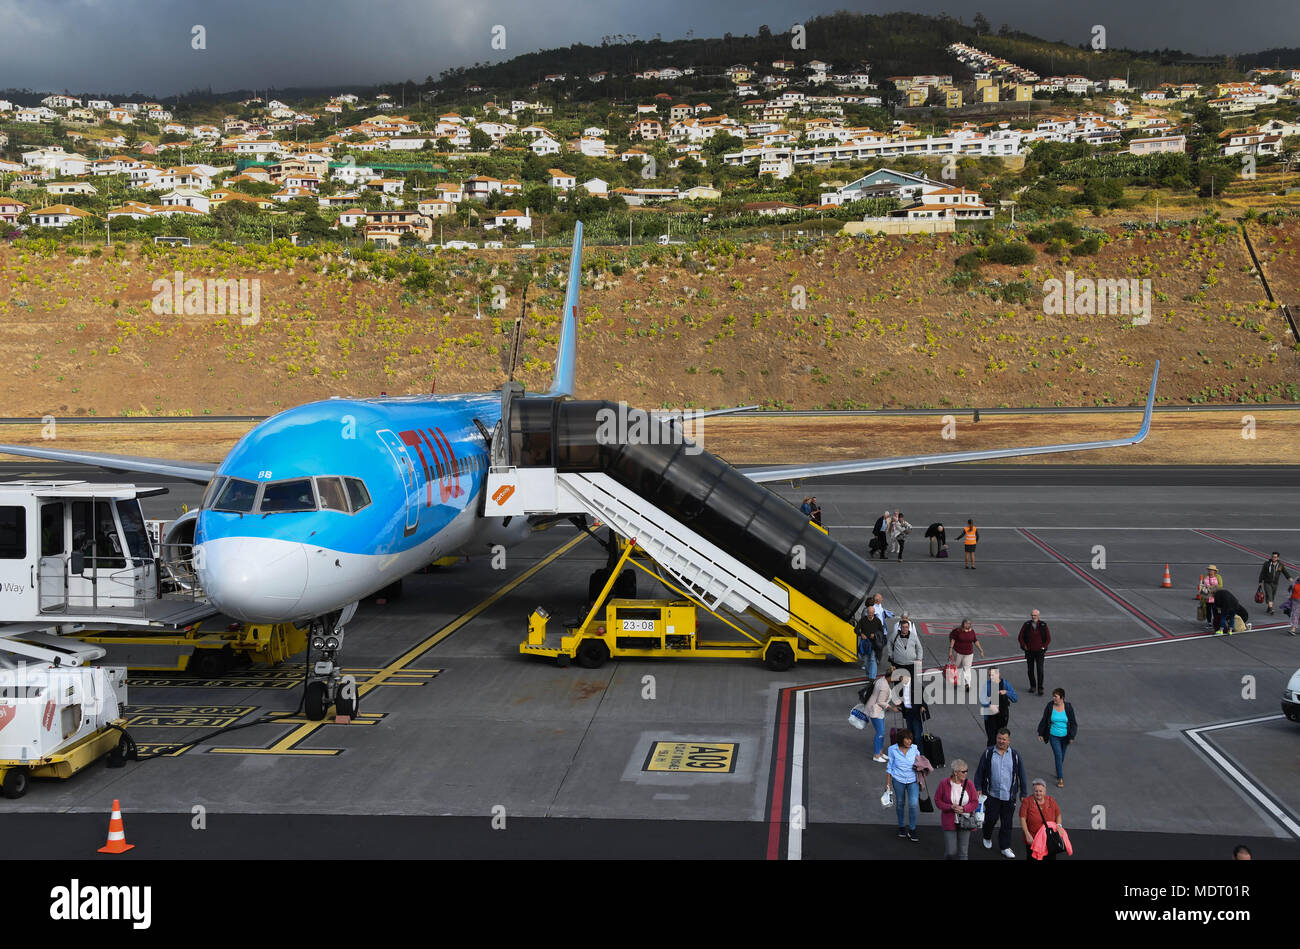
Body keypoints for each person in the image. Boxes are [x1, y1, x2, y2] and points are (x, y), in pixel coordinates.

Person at [974, 728, 1029, 858]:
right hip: (992, 795)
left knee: (1007, 823)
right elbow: (980, 772)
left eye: (1004, 739)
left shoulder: (1015, 755)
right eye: (999, 738)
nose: (1001, 741)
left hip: (1009, 797)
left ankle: (1005, 846)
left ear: (1009, 740)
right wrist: (978, 787)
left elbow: (1022, 774)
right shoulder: (988, 753)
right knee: (990, 819)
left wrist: (1023, 793)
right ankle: (987, 836)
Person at [934, 759, 979, 860]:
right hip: (949, 821)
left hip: (966, 821)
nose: (966, 773)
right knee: (951, 852)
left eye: (966, 771)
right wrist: (950, 807)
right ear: (955, 772)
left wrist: (964, 809)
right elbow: (937, 801)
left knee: (963, 852)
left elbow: (975, 802)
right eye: (963, 771)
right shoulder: (944, 784)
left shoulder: (969, 784)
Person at [1036, 687, 1078, 788]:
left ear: (1062, 697)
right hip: (1053, 736)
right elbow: (1044, 719)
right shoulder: (1050, 706)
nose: (1054, 698)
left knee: (1061, 757)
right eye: (1053, 696)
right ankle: (1060, 778)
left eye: (1056, 696)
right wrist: (1040, 733)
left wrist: (1072, 736)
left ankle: (1058, 768)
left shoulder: (1068, 707)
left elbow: (1073, 722)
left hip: (1065, 737)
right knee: (1058, 756)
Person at [885, 729, 921, 842]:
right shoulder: (892, 749)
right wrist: (887, 783)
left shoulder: (915, 748)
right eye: (906, 739)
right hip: (898, 779)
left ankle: (912, 829)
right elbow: (890, 767)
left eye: (910, 738)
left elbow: (919, 762)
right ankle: (901, 826)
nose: (909, 741)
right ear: (901, 739)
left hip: (913, 780)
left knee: (913, 804)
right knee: (900, 803)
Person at [1020, 778, 1066, 861]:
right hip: (1033, 839)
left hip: (1049, 839)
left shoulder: (1051, 800)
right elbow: (1022, 818)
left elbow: (1058, 814)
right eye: (1036, 791)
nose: (1038, 793)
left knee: (1050, 857)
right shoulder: (1027, 802)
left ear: (1045, 791)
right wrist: (1027, 834)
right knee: (1033, 858)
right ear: (1033, 791)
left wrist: (1059, 825)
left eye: (1040, 791)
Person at [980, 667, 1018, 748]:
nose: (991, 677)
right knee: (991, 738)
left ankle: (1002, 754)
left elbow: (1015, 698)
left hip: (1002, 715)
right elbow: (982, 699)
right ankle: (990, 756)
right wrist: (989, 705)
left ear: (998, 674)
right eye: (989, 675)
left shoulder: (1005, 684)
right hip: (990, 715)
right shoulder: (986, 685)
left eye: (993, 675)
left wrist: (1006, 692)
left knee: (1001, 738)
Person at [1017, 609, 1051, 695]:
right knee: (1030, 670)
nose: (1033, 617)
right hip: (1029, 652)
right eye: (1032, 615)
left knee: (1040, 670)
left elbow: (1048, 638)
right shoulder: (1026, 624)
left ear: (1038, 616)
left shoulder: (1043, 625)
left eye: (1035, 615)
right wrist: (1024, 646)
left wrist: (1044, 647)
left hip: (1040, 652)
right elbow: (1020, 637)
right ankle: (1033, 686)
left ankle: (1040, 688)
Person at [864, 667, 893, 763]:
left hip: (877, 709)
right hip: (876, 711)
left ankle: (880, 752)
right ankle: (876, 755)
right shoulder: (884, 686)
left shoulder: (881, 679)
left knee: (882, 732)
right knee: (880, 733)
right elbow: (880, 701)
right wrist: (891, 707)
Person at [894, 668, 928, 748]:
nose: (900, 680)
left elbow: (924, 696)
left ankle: (920, 755)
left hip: (917, 713)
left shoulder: (916, 684)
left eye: (901, 678)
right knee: (910, 735)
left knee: (917, 735)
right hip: (908, 712)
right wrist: (898, 706)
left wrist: (923, 706)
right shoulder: (901, 686)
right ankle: (912, 752)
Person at [948, 617, 984, 688]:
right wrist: (950, 651)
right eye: (966, 623)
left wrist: (981, 650)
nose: (968, 625)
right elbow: (953, 640)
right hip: (958, 653)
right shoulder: (958, 631)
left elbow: (975, 641)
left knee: (967, 669)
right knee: (958, 668)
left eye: (969, 623)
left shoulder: (972, 632)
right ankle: (957, 682)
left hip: (969, 654)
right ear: (963, 624)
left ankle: (967, 683)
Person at [856, 604, 885, 679]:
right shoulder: (862, 620)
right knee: (866, 660)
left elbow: (881, 632)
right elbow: (855, 630)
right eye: (869, 613)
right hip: (865, 644)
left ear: (874, 613)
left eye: (872, 613)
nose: (870, 614)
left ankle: (872, 677)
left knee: (872, 659)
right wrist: (861, 634)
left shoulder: (877, 620)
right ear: (867, 612)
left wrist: (875, 635)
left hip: (874, 643)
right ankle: (869, 675)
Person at [1199, 565, 1224, 630]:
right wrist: (1202, 592)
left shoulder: (1218, 577)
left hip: (1215, 597)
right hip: (1207, 597)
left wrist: (1212, 587)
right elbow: (1202, 584)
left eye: (1211, 570)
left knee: (1215, 611)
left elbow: (1221, 586)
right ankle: (1209, 623)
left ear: (1215, 571)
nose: (1210, 571)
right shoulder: (1205, 576)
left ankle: (1215, 623)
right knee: (1208, 611)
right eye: (1209, 570)